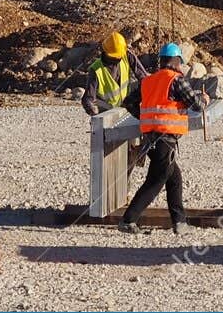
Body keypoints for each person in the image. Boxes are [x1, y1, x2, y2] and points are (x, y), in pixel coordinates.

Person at [119, 42, 209, 234]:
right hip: (165, 139)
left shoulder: (148, 81)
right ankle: (128, 220)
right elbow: (196, 105)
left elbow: (128, 102)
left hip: (150, 139)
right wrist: (204, 100)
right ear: (177, 61)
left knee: (174, 178)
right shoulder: (176, 80)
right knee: (156, 180)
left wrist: (144, 117)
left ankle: (179, 222)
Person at [81, 31, 146, 116]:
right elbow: (88, 99)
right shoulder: (96, 70)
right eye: (115, 56)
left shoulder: (127, 55)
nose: (118, 58)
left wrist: (135, 99)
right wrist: (95, 115)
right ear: (106, 52)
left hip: (125, 108)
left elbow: (144, 79)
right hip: (106, 113)